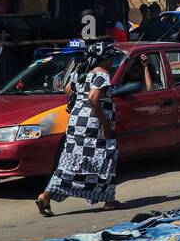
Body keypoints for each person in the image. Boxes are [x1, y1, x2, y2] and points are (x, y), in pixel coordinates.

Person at [36, 42, 122, 216]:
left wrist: (79, 102)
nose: (113, 61)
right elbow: (93, 98)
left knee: (71, 162)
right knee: (106, 158)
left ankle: (46, 195)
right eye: (111, 58)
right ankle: (109, 200)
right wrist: (104, 124)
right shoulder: (102, 75)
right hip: (94, 126)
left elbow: (68, 89)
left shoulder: (80, 73)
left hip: (77, 124)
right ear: (104, 59)